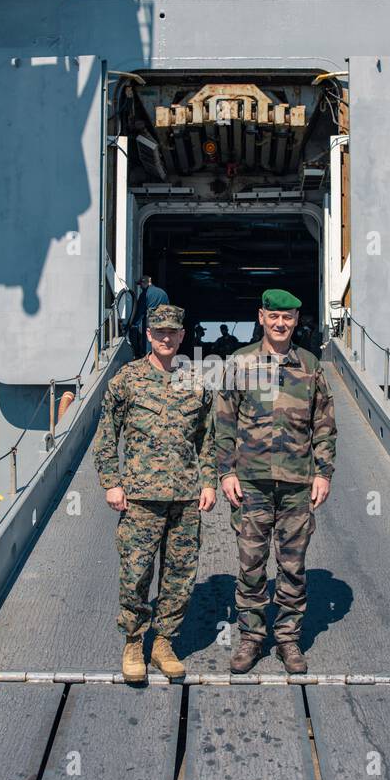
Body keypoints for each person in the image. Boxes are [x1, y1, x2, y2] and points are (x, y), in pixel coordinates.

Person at [215, 289, 336, 675]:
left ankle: (287, 639)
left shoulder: (311, 365)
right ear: (262, 317)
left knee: (293, 565)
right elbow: (223, 421)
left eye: (288, 317)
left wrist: (323, 473)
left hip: (298, 482)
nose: (281, 324)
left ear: (296, 320)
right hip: (250, 482)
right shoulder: (240, 362)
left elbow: (325, 425)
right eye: (274, 317)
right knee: (251, 565)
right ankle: (251, 638)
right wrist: (226, 471)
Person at [95, 304, 216, 682]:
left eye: (173, 332)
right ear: (148, 335)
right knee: (136, 571)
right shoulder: (127, 379)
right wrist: (111, 482)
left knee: (180, 573)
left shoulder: (195, 381)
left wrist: (209, 481)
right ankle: (133, 641)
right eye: (159, 331)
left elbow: (207, 439)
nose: (166, 337)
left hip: (185, 497)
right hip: (141, 498)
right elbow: (105, 435)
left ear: (182, 336)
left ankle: (164, 641)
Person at [128, 275, 169, 357]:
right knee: (161, 341)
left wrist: (133, 325)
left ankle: (149, 358)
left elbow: (140, 311)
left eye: (141, 285)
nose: (140, 287)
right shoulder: (163, 292)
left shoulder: (145, 294)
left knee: (149, 341)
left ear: (143, 283)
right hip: (163, 322)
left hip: (151, 322)